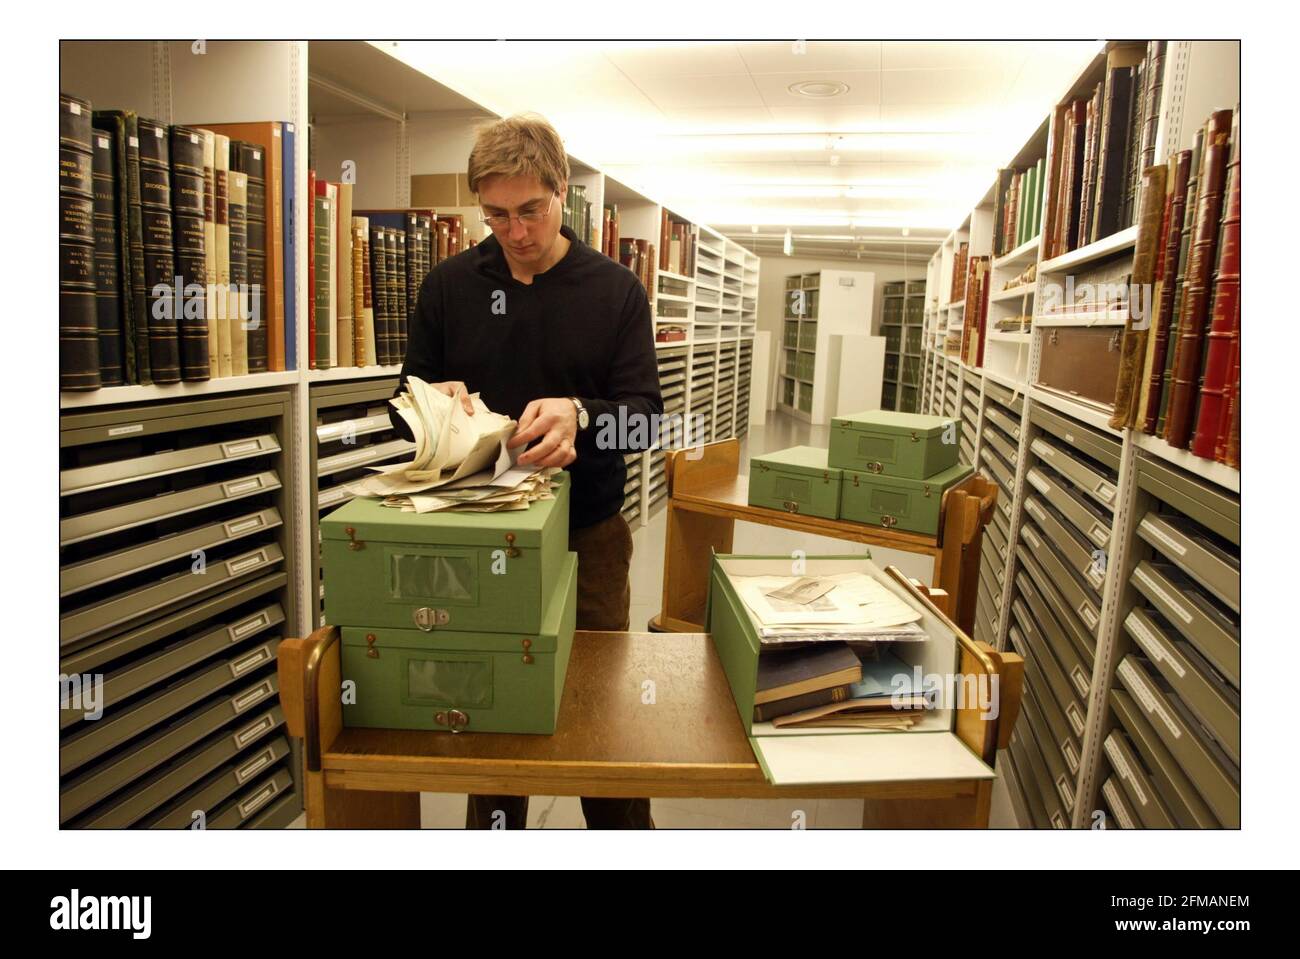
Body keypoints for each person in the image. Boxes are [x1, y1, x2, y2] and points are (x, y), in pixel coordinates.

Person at [388, 114, 662, 829]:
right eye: (496, 215)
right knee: (494, 710)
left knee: (599, 713)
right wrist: (429, 403)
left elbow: (646, 418)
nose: (514, 231)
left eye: (530, 211)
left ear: (561, 191)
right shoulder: (449, 286)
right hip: (480, 540)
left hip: (588, 537)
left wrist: (581, 414)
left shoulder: (615, 291)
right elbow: (400, 404)